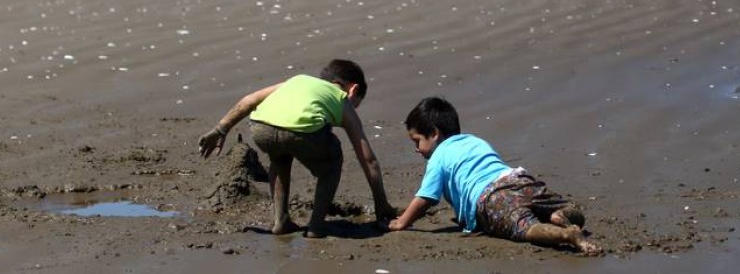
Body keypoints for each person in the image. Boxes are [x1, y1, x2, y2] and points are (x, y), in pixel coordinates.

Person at [198, 59, 393, 237]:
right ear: (353, 90)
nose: (354, 109)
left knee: (279, 158)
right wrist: (381, 204)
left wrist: (220, 129)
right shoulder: (341, 98)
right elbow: (367, 158)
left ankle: (280, 221)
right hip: (304, 130)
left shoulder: (297, 81)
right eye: (356, 104)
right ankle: (316, 226)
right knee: (331, 164)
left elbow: (248, 101)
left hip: (261, 127)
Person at [388, 96, 600, 255]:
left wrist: (401, 222)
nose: (417, 149)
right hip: (518, 179)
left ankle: (566, 235)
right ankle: (559, 214)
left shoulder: (438, 157)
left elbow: (427, 197)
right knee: (563, 208)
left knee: (525, 227)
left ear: (434, 134)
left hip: (491, 197)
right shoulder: (475, 140)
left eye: (417, 141)